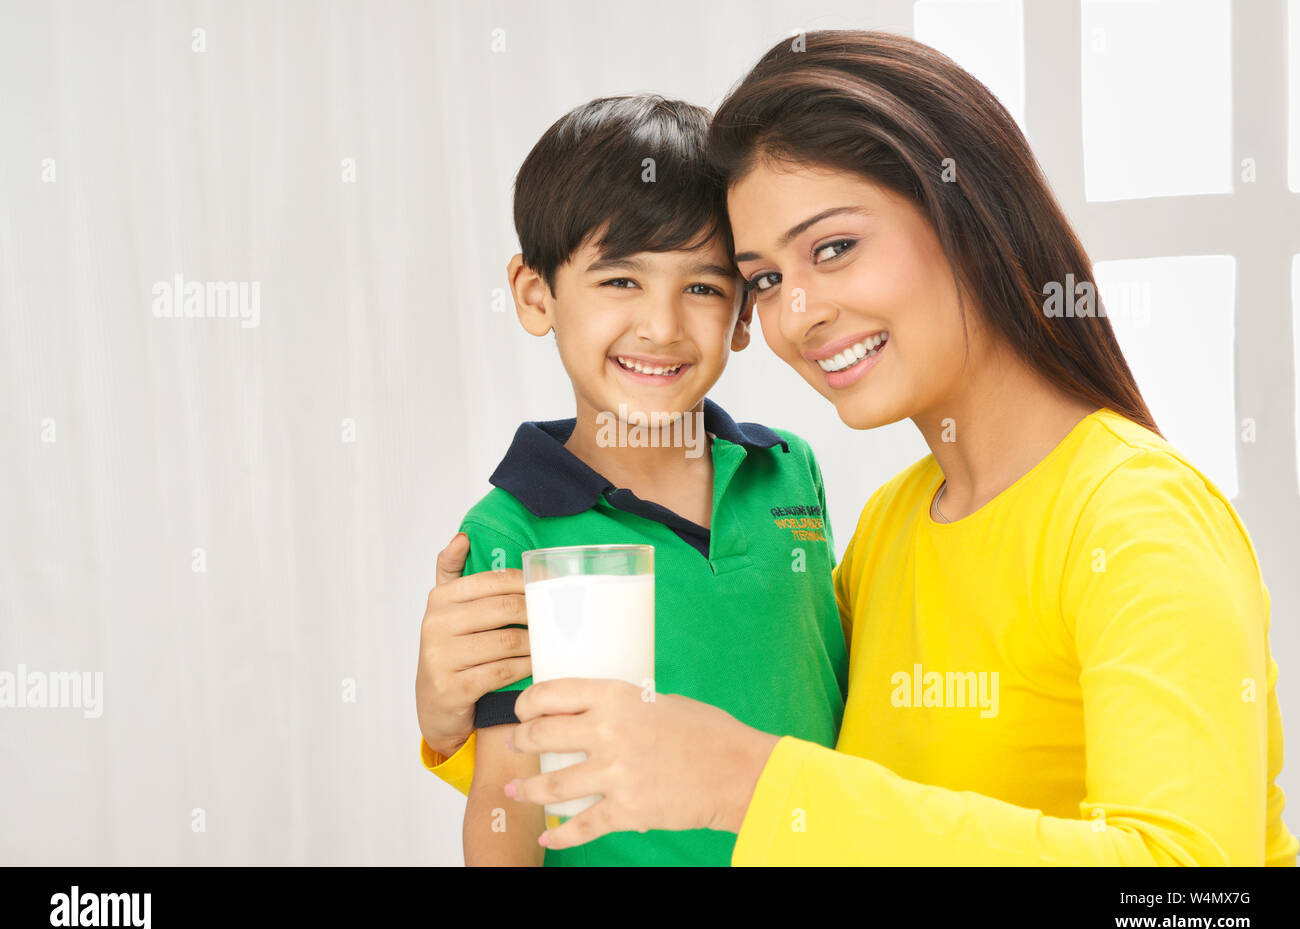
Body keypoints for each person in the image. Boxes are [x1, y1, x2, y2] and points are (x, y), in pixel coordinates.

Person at [420, 30, 1299, 865]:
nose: (796, 314)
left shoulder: (1134, 519)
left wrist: (752, 786)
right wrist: (456, 720)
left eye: (833, 248)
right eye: (766, 278)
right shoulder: (888, 530)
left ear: (970, 217)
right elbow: (773, 734)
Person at [439, 94, 848, 866]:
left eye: (701, 287)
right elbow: (506, 794)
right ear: (536, 295)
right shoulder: (507, 531)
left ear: (742, 317)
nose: (661, 327)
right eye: (621, 281)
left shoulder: (789, 470)